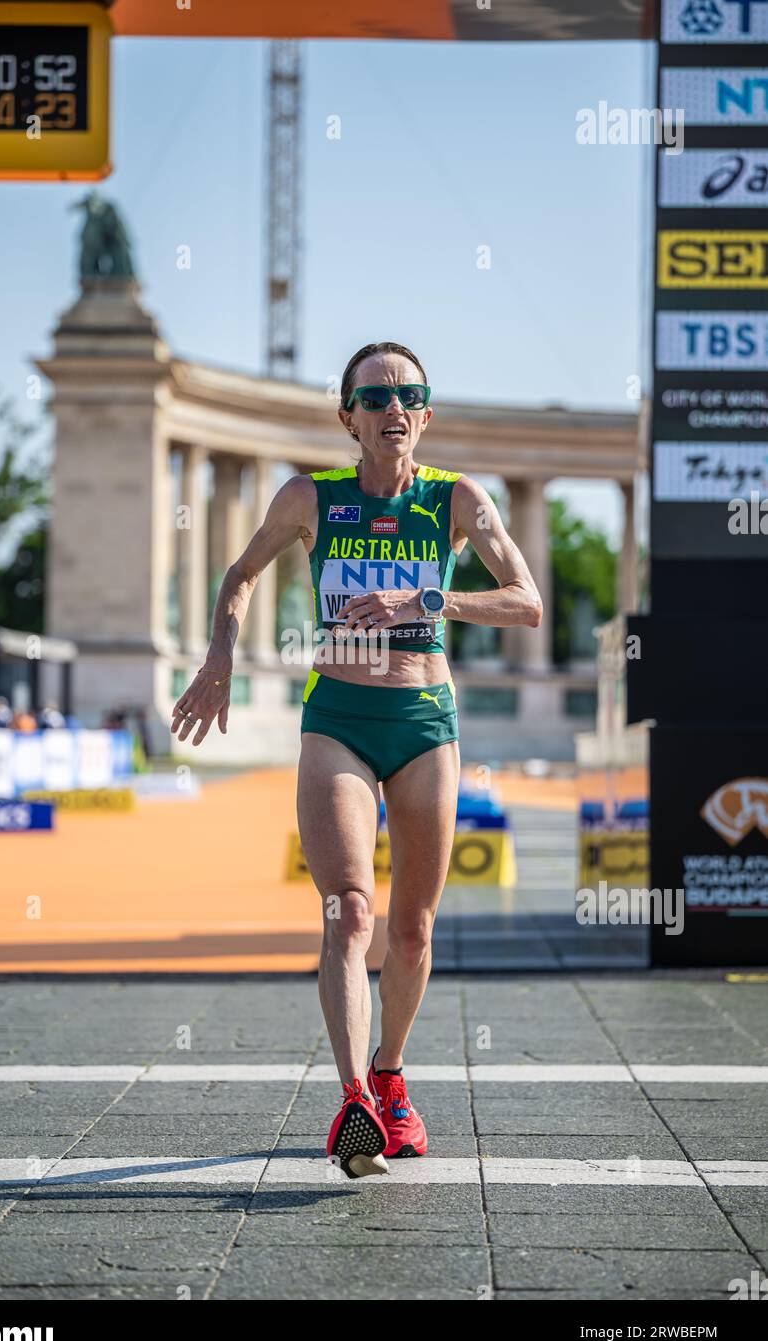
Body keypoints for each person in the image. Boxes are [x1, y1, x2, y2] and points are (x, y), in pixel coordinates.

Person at [171, 342, 542, 1178]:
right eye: (375, 399)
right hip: (338, 716)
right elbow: (238, 574)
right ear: (348, 418)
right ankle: (352, 1103)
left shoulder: (456, 500)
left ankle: (392, 1074)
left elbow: (527, 603)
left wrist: (430, 598)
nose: (394, 410)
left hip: (423, 719)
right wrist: (220, 657)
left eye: (410, 396)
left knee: (411, 929)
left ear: (426, 415)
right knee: (348, 909)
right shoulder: (311, 496)